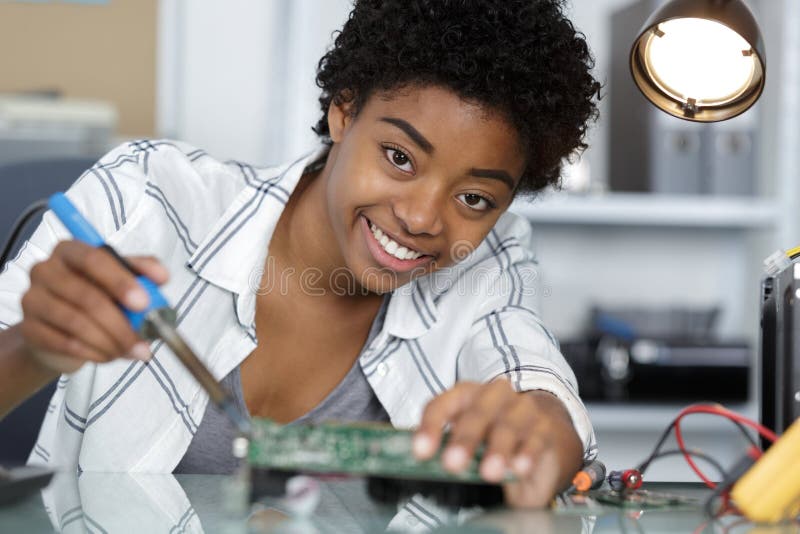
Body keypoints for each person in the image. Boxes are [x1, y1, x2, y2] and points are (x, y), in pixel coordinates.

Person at [0, 0, 600, 507]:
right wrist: (33, 347)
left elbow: (525, 368)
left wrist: (544, 425)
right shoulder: (145, 197)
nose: (421, 218)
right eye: (399, 157)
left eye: (473, 197)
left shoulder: (490, 259)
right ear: (344, 111)